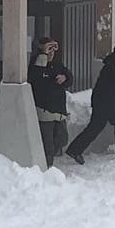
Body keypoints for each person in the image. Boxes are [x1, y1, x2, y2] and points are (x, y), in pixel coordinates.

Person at [66, 41, 115, 164]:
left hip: (102, 100)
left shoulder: (112, 63)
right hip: (108, 101)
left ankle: (75, 149)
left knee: (96, 127)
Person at [29, 35, 72, 165]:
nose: (51, 53)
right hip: (44, 111)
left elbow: (70, 77)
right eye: (49, 50)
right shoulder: (37, 65)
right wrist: (42, 56)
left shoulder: (57, 65)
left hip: (59, 111)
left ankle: (50, 162)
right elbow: (36, 78)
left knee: (61, 139)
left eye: (53, 50)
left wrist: (65, 78)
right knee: (47, 145)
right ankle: (47, 168)